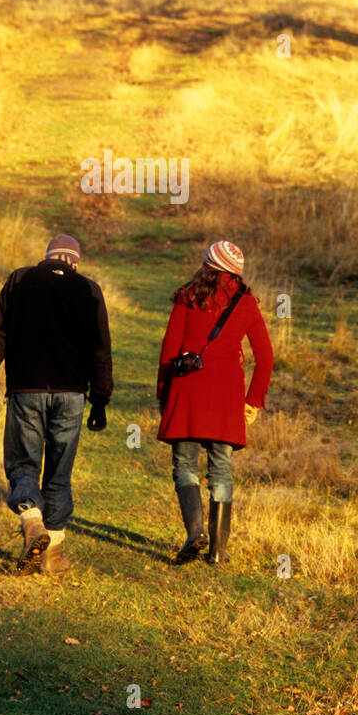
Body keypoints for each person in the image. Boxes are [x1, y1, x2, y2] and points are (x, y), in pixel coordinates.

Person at [0, 233, 112, 575]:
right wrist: (101, 400)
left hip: (26, 390)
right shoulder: (89, 289)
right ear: (74, 262)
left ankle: (32, 521)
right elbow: (101, 348)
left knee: (23, 464)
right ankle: (53, 555)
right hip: (72, 394)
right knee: (59, 473)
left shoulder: (20, 279)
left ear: (47, 257)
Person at [157, 240, 274, 566]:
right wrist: (252, 402)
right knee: (221, 470)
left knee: (184, 465)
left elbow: (169, 351)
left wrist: (163, 392)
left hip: (187, 389)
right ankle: (218, 552)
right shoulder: (247, 304)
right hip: (227, 397)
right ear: (236, 271)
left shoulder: (188, 296)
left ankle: (196, 533)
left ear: (208, 265)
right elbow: (265, 358)